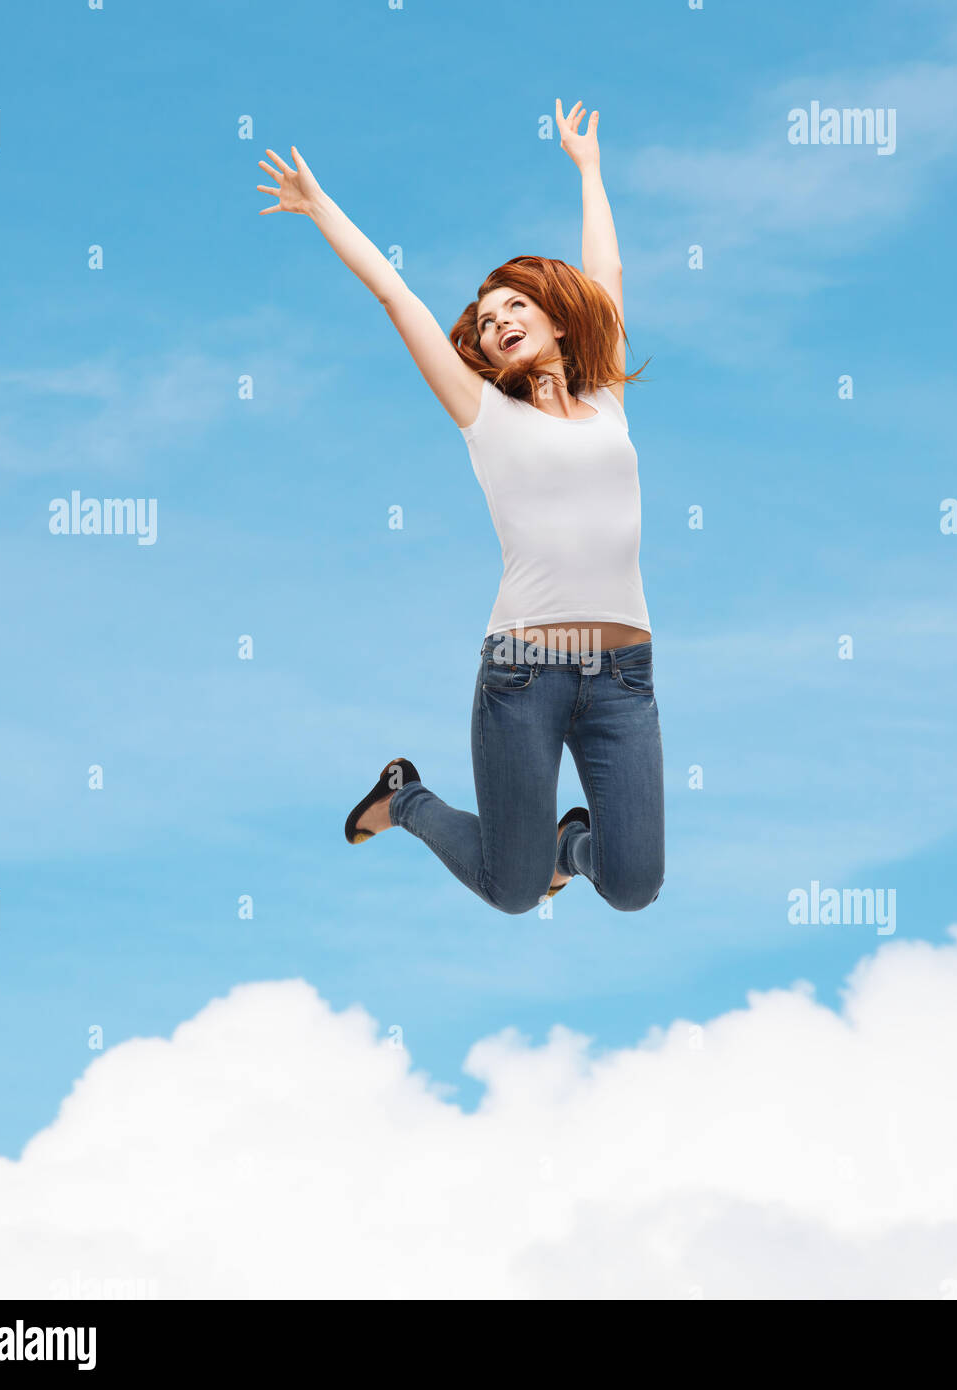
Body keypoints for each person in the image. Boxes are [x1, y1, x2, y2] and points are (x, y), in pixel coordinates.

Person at [257, 100, 664, 913]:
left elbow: (606, 277)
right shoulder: (485, 416)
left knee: (633, 884)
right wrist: (319, 206)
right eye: (484, 322)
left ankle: (570, 846)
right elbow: (394, 295)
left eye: (515, 305)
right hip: (524, 673)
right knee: (512, 894)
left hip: (622, 672)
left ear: (554, 313)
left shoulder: (608, 399)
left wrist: (589, 170)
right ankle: (403, 797)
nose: (499, 321)